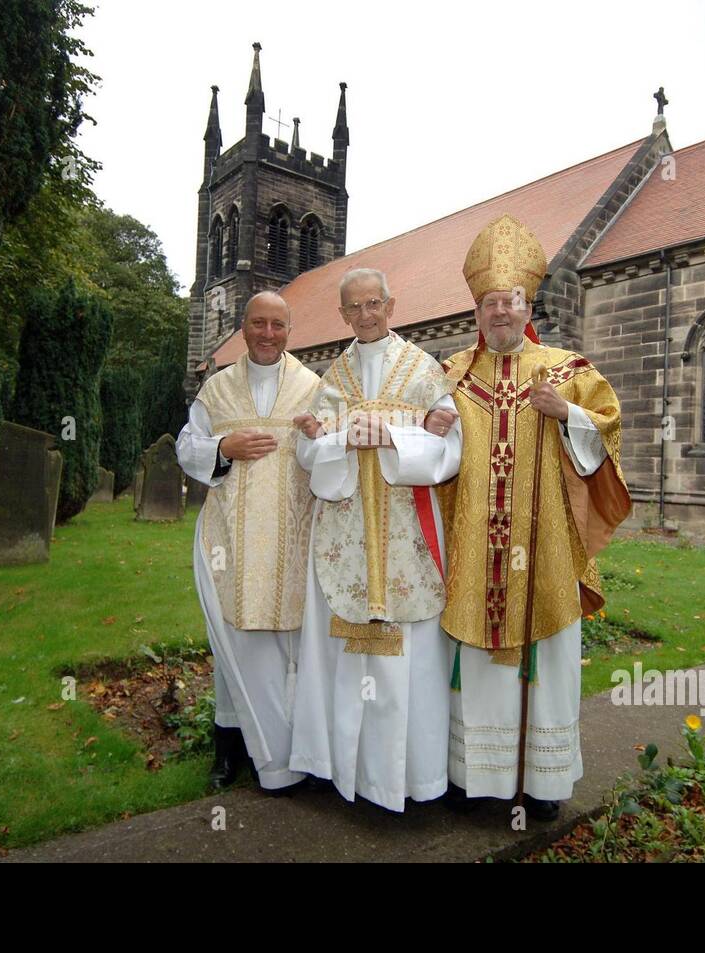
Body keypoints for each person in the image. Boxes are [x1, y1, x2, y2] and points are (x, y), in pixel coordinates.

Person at [438, 214, 632, 821]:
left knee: (544, 668)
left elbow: (609, 430)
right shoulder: (451, 375)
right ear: (477, 311)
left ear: (528, 305)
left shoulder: (567, 371)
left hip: (545, 550)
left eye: (512, 301)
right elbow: (429, 456)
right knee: (476, 668)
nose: (501, 312)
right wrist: (430, 425)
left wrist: (566, 414)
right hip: (474, 548)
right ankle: (474, 779)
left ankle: (542, 784)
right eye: (491, 303)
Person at [287, 267, 461, 812]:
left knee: (409, 660)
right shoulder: (332, 380)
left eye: (374, 303)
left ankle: (414, 779)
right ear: (343, 315)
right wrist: (333, 439)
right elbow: (308, 453)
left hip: (407, 533)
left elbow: (450, 444)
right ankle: (345, 772)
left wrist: (392, 438)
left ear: (391, 304)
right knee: (344, 657)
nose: (365, 314)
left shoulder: (424, 370)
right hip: (347, 535)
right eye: (354, 307)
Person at [176, 291, 320, 792]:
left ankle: (292, 754)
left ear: (289, 330)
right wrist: (223, 447)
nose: (267, 334)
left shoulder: (313, 387)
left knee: (291, 652)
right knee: (234, 647)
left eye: (277, 325)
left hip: (292, 540)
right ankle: (228, 751)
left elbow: (328, 452)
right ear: (243, 326)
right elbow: (185, 446)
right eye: (257, 323)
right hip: (230, 542)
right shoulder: (216, 390)